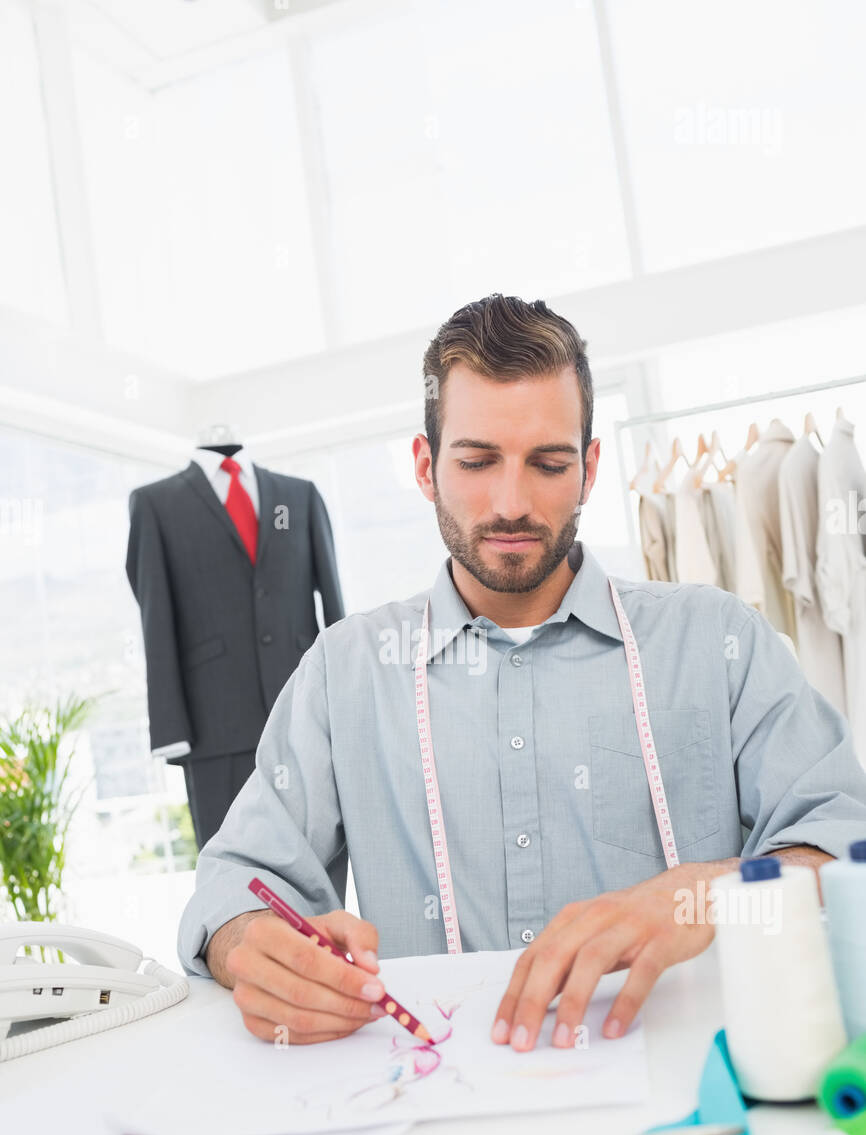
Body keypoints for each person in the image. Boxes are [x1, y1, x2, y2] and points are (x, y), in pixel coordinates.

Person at [177, 293, 866, 1053]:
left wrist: (704, 893)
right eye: (476, 462)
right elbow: (235, 884)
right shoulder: (344, 675)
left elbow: (841, 839)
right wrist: (250, 947)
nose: (511, 504)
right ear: (425, 467)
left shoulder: (717, 640)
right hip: (432, 1096)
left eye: (549, 463)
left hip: (691, 1085)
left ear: (590, 469)